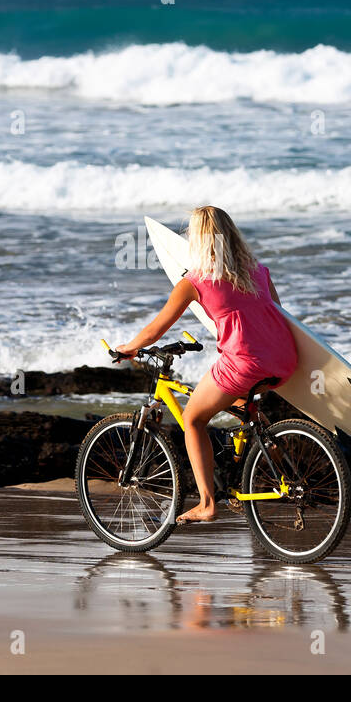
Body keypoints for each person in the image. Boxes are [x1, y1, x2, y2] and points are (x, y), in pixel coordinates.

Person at [116, 206, 298, 523]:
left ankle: (206, 503)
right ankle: (278, 473)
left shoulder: (194, 282)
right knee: (243, 406)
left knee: (193, 419)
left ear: (196, 239)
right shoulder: (258, 272)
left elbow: (154, 331)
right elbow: (277, 316)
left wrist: (128, 349)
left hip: (243, 364)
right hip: (283, 359)